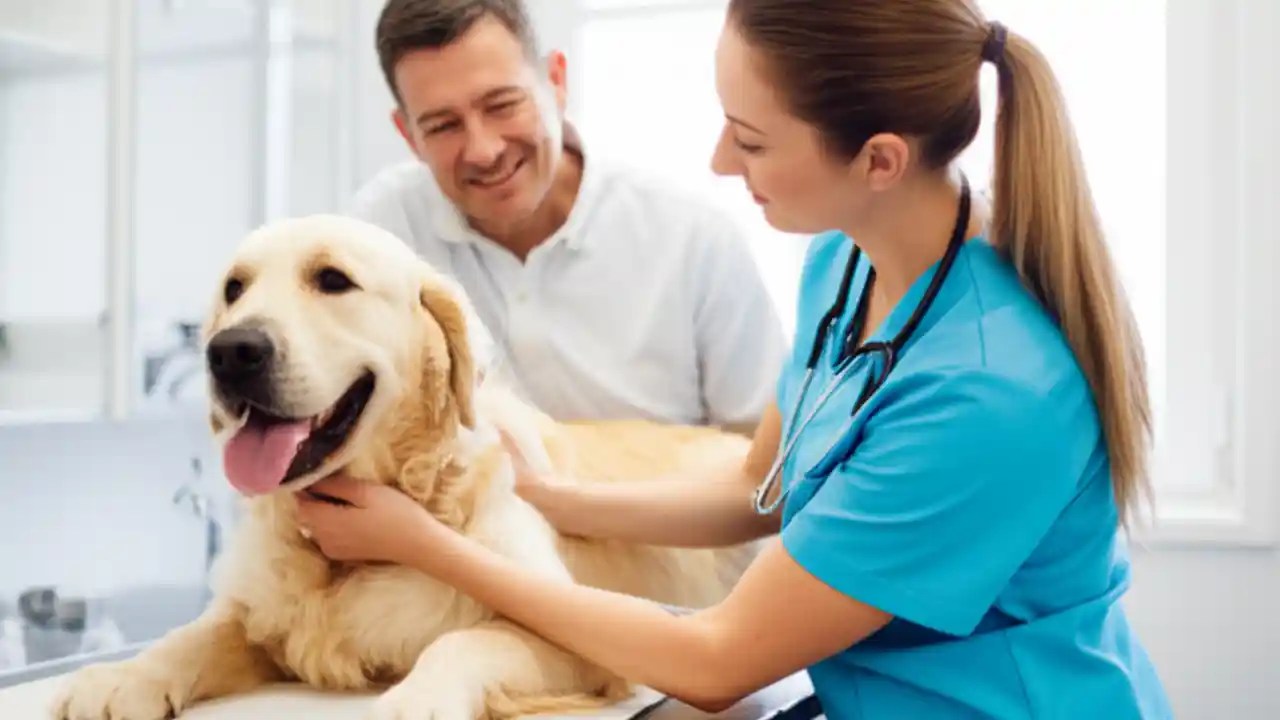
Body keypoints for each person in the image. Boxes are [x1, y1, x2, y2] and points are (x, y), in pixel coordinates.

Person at [300, 1, 1173, 717]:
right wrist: (549, 494)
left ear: (878, 161)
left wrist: (427, 546)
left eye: (750, 140)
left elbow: (717, 662)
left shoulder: (987, 392)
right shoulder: (846, 264)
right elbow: (758, 489)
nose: (721, 161)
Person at [347, 0, 787, 432]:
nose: (484, 150)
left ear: (556, 82)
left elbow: (762, 472)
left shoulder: (693, 239)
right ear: (409, 135)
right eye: (443, 126)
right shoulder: (375, 239)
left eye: (502, 105)